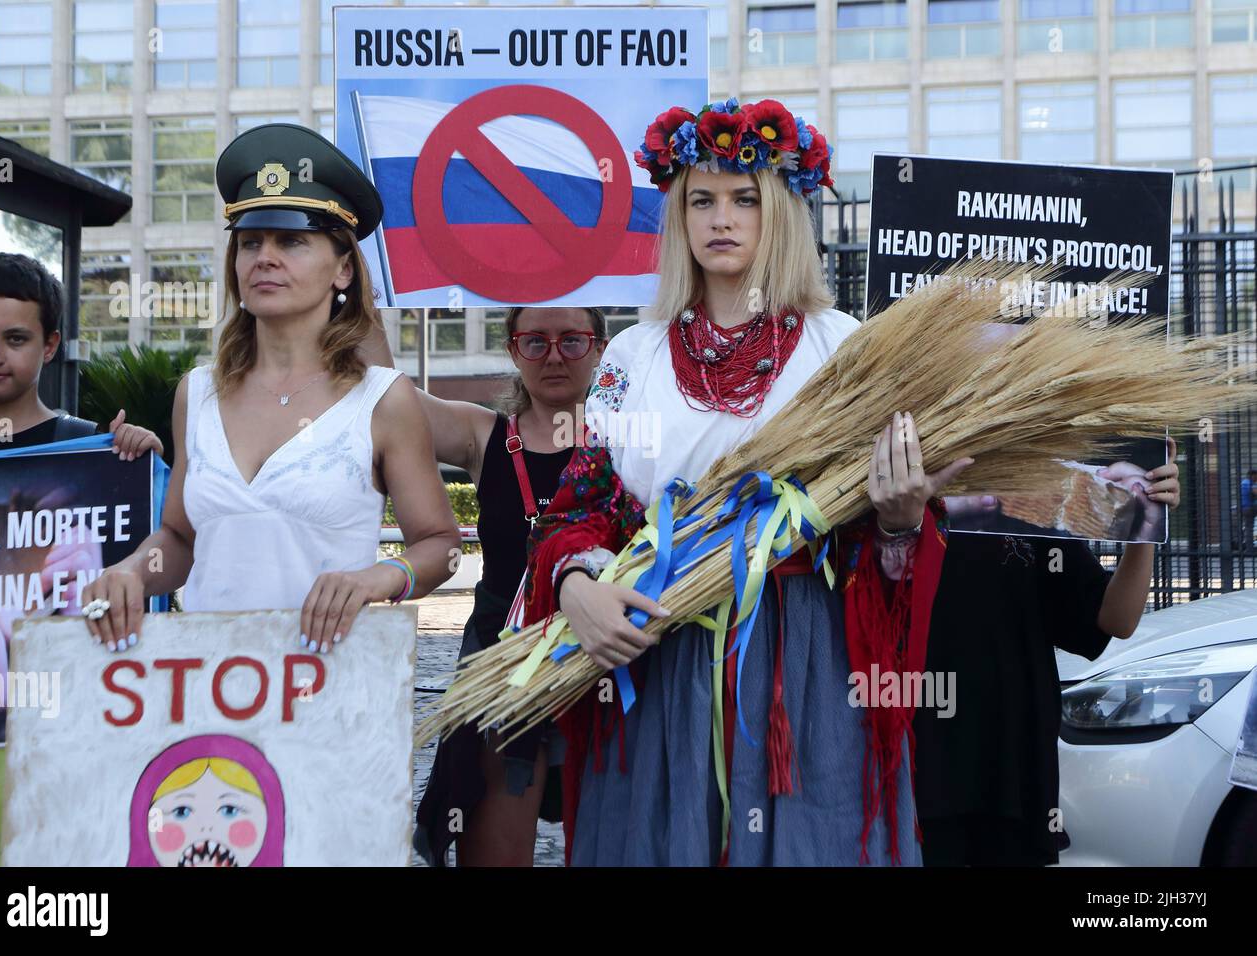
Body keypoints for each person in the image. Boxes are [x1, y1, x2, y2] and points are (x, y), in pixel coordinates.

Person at [518, 98, 972, 865]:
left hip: (804, 666)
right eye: (701, 199)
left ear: (783, 212)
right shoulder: (636, 355)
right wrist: (578, 590)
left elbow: (885, 538)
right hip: (661, 653)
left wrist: (899, 521)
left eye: (744, 198)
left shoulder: (844, 347)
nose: (719, 218)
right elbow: (582, 510)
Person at [80, 123, 460, 654]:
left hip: (330, 688)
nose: (265, 257)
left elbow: (441, 547)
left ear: (344, 269)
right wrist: (131, 574)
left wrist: (376, 578)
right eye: (251, 241)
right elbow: (182, 540)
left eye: (292, 241)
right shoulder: (197, 392)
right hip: (206, 684)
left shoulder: (382, 398)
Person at [0, 252, 164, 867]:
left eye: (15, 338)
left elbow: (155, 565)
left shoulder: (93, 451)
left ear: (49, 346)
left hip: (70, 735)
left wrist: (143, 464)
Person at [916, 440, 1180, 866]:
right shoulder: (900, 496)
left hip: (1014, 783)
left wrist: (1146, 530)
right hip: (914, 779)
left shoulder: (1029, 496)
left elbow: (1116, 619)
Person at [413, 306, 607, 867]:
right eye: (534, 341)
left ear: (599, 347)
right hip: (501, 667)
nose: (552, 356)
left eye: (572, 341)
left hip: (603, 662)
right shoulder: (483, 435)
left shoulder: (632, 437)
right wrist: (357, 267)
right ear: (511, 349)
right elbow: (386, 396)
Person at [1242, 468, 1255, 551]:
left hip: (1244, 507)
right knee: (1249, 528)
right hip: (1249, 508)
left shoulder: (1243, 483)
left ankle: (1248, 547)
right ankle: (1250, 548)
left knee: (1248, 528)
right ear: (1252, 475)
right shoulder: (1249, 483)